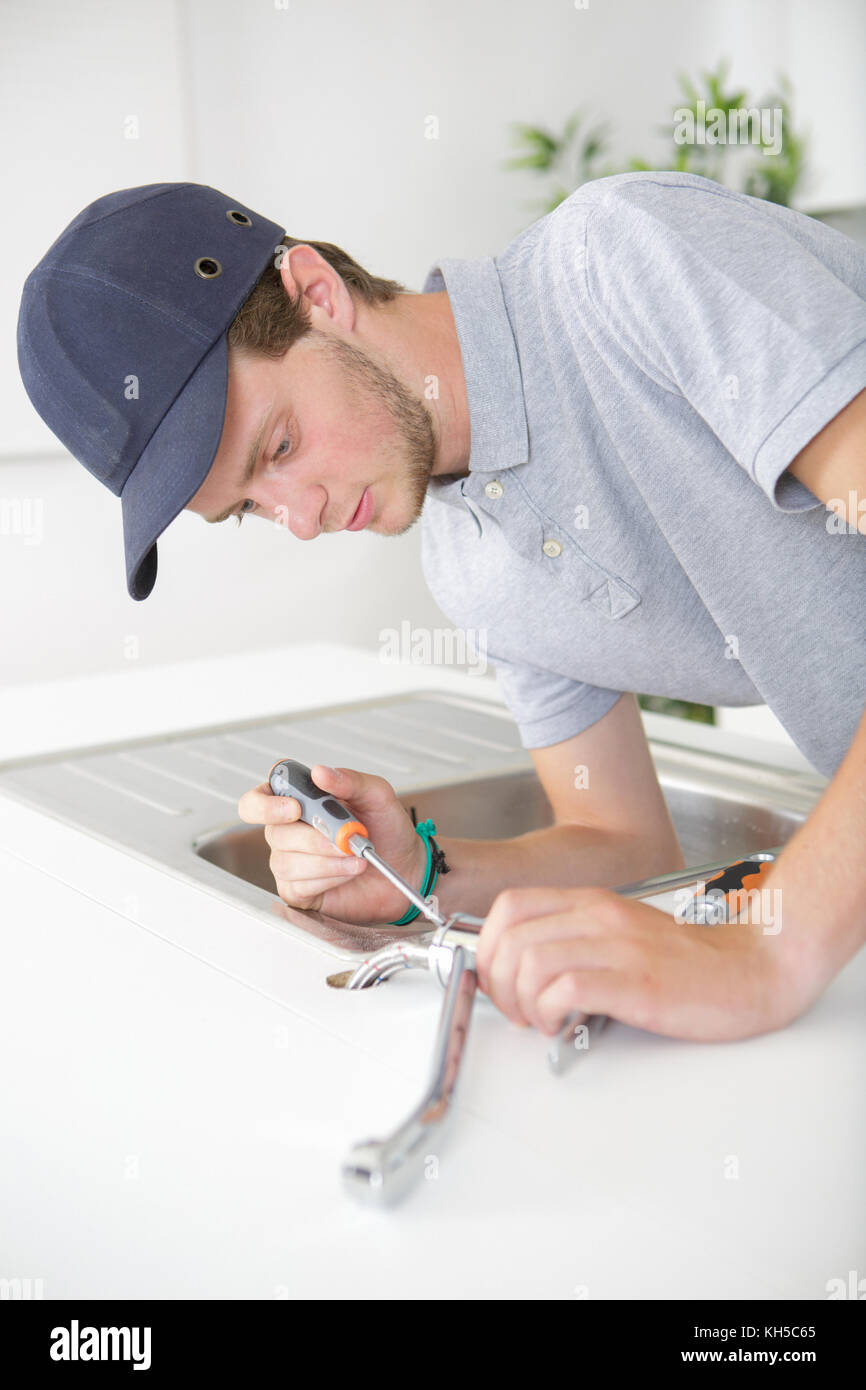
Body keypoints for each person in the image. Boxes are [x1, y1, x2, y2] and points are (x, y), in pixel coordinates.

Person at [17, 173, 866, 1042]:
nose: (300, 519)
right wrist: (412, 871)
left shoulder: (624, 261)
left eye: (279, 446)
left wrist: (770, 951)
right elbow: (628, 844)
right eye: (251, 507)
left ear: (317, 293)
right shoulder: (469, 566)